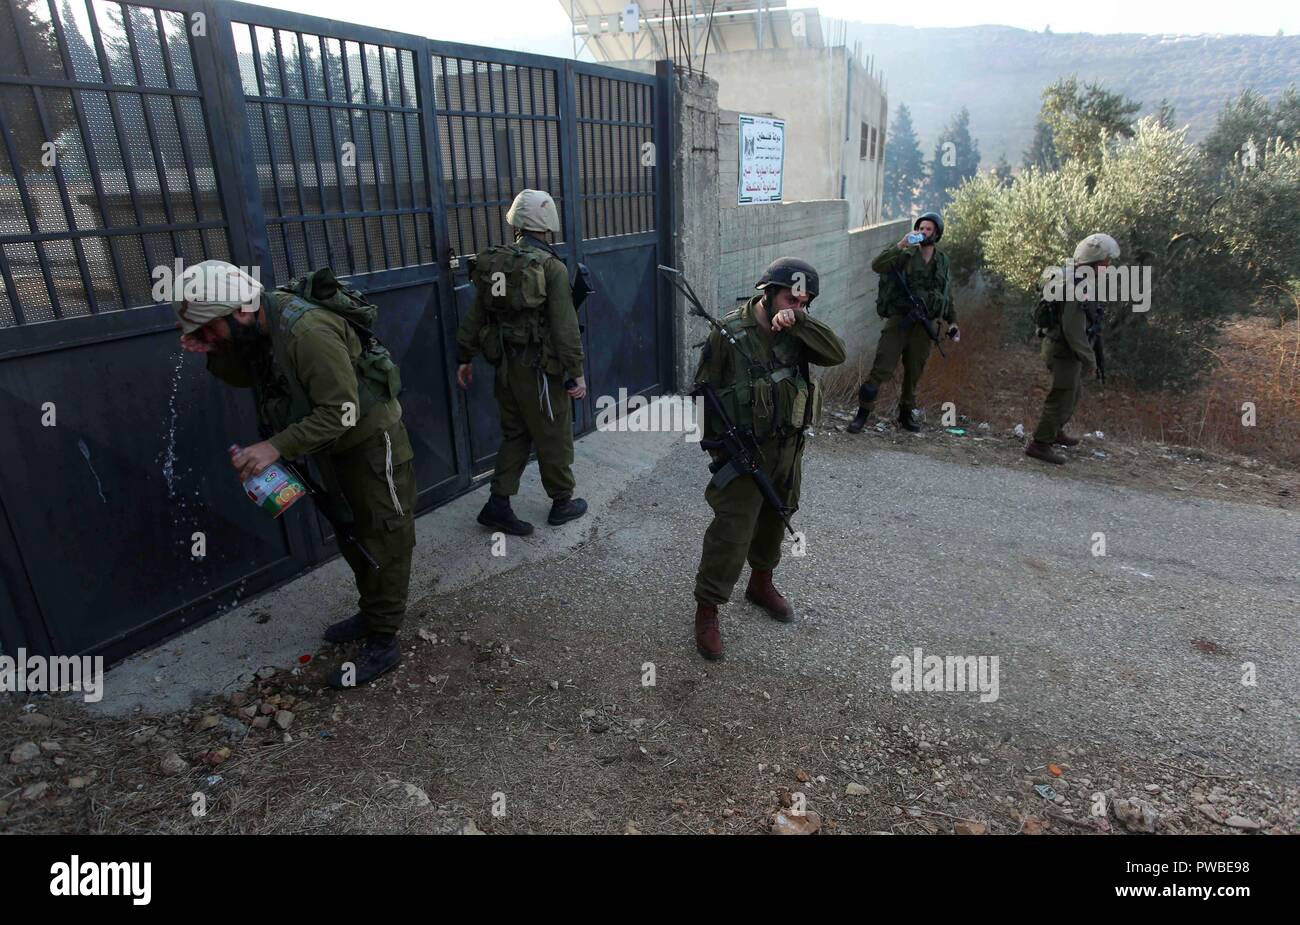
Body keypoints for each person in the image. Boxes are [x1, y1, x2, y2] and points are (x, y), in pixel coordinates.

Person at [176, 260, 414, 688]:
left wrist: (274, 447)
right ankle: (372, 608)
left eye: (210, 329)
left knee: (384, 533)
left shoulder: (307, 332)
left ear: (241, 311)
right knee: (350, 530)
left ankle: (385, 638)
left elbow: (342, 412)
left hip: (367, 441)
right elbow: (250, 372)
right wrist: (213, 349)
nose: (207, 338)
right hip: (328, 445)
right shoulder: (261, 325)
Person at [692, 258, 846, 660]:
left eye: (804, 301)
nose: (796, 305)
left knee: (776, 517)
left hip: (787, 448)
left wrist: (800, 322)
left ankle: (761, 582)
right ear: (768, 291)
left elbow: (837, 353)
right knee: (732, 530)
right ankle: (707, 609)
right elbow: (705, 392)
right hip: (744, 452)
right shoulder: (730, 332)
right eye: (789, 298)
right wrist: (719, 449)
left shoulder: (799, 332)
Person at [455, 189, 588, 535]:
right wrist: (576, 372)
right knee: (554, 433)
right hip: (540, 371)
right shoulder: (551, 267)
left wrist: (464, 357)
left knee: (516, 434)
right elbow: (565, 326)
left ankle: (498, 503)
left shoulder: (496, 262)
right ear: (548, 223)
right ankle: (562, 502)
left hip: (505, 368)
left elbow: (477, 314)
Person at [847, 211, 958, 434]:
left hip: (924, 324)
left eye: (929, 229)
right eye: (921, 228)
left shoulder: (942, 261)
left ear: (936, 234)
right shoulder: (904, 253)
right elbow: (877, 265)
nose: (924, 232)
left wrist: (953, 322)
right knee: (881, 367)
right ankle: (862, 414)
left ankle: (906, 415)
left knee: (914, 373)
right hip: (900, 320)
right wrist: (900, 244)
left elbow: (946, 294)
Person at [1025, 233, 1119, 464]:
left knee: (1073, 392)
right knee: (1062, 396)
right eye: (1107, 261)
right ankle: (1039, 444)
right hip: (1064, 351)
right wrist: (1089, 359)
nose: (1109, 266)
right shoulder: (1077, 286)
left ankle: (1055, 431)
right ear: (1095, 262)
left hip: (1059, 347)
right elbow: (1073, 329)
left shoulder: (1072, 276)